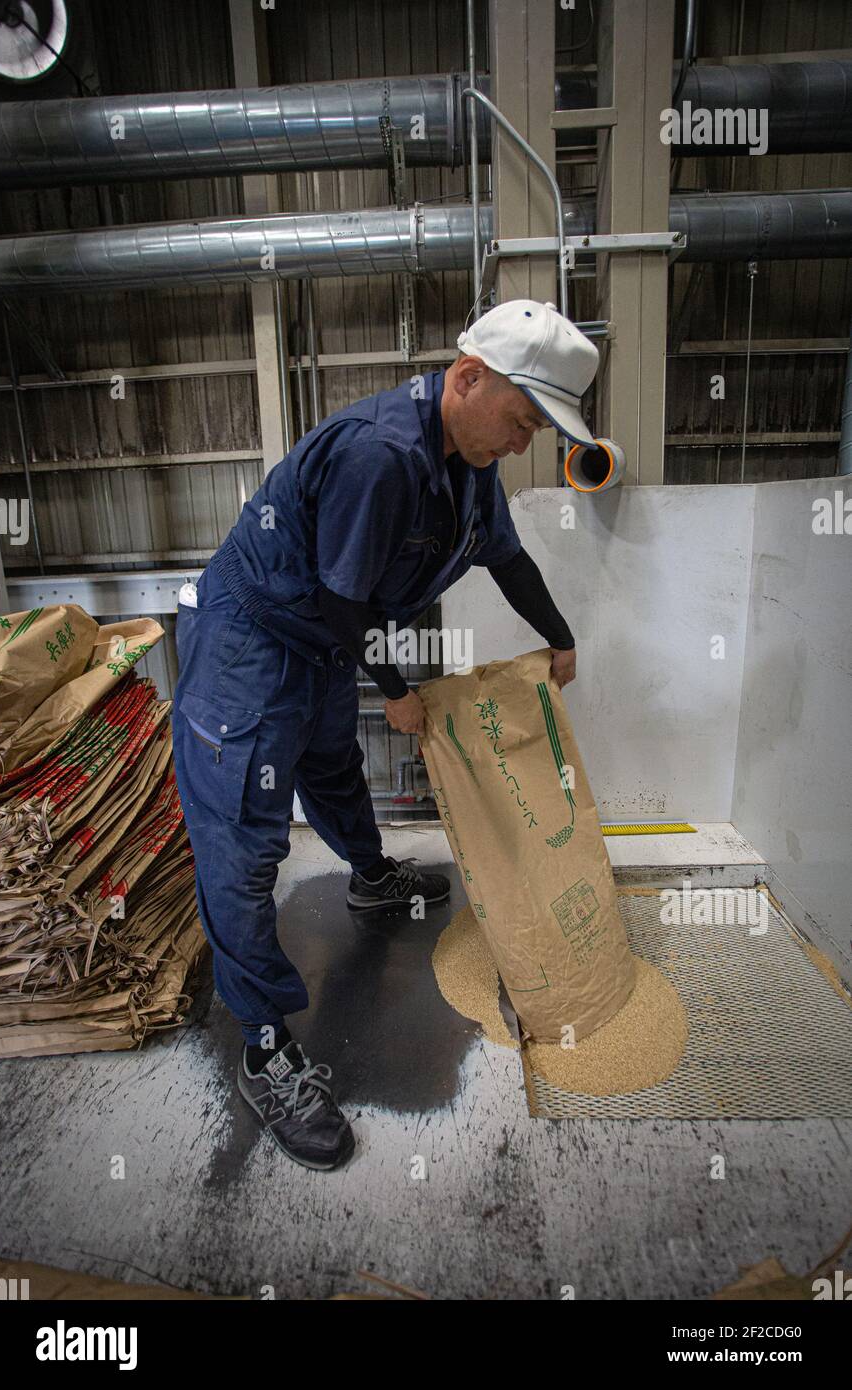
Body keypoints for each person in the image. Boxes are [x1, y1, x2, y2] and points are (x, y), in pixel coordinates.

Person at [171, 298, 599, 1170]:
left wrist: (559, 636)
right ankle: (262, 1042)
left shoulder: (471, 462)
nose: (523, 444)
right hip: (256, 638)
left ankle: (369, 875)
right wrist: (398, 691)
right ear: (468, 377)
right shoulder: (382, 455)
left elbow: (507, 559)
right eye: (521, 421)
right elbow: (343, 599)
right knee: (244, 847)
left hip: (323, 633)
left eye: (535, 431)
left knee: (331, 762)